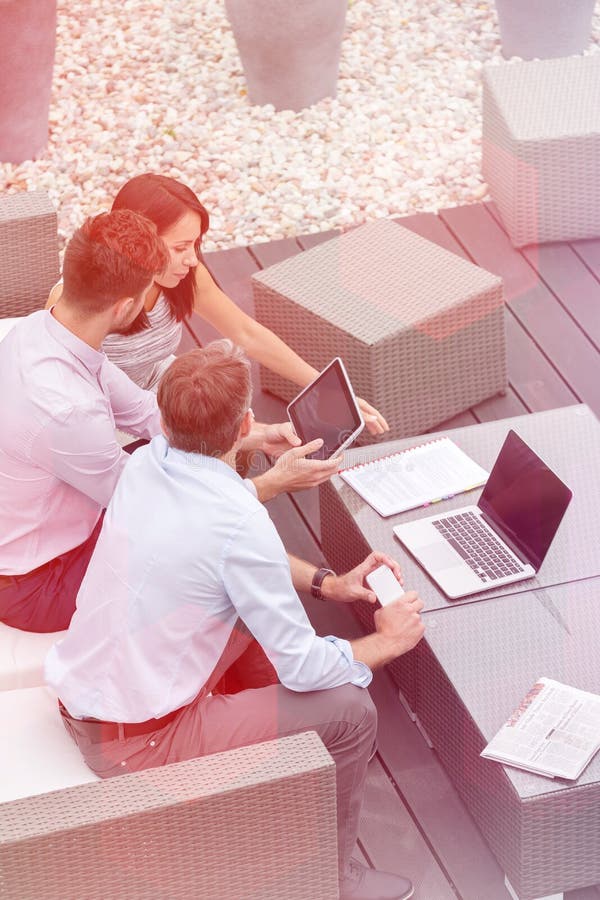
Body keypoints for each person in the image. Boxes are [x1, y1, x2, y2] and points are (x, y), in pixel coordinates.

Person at [46, 341, 424, 900]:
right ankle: (336, 879)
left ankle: (277, 781)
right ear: (245, 422)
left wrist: (330, 583)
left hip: (88, 699)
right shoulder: (238, 522)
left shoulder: (147, 461)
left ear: (165, 419)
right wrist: (386, 642)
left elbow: (218, 527)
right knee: (350, 707)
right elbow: (303, 664)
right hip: (138, 744)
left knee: (251, 633)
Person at [0, 212, 337, 634]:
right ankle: (273, 650)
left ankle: (314, 592)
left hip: (60, 523)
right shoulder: (68, 408)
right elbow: (152, 510)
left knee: (196, 452)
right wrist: (271, 485)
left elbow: (144, 412)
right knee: (203, 548)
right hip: (38, 583)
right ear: (124, 306)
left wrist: (253, 435)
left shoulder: (45, 331)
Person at [47, 173, 389, 436]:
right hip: (105, 412)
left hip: (156, 385)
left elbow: (246, 333)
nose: (192, 260)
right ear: (139, 242)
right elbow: (70, 397)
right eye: (180, 247)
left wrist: (323, 388)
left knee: (235, 421)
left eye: (195, 244)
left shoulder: (185, 278)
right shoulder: (88, 298)